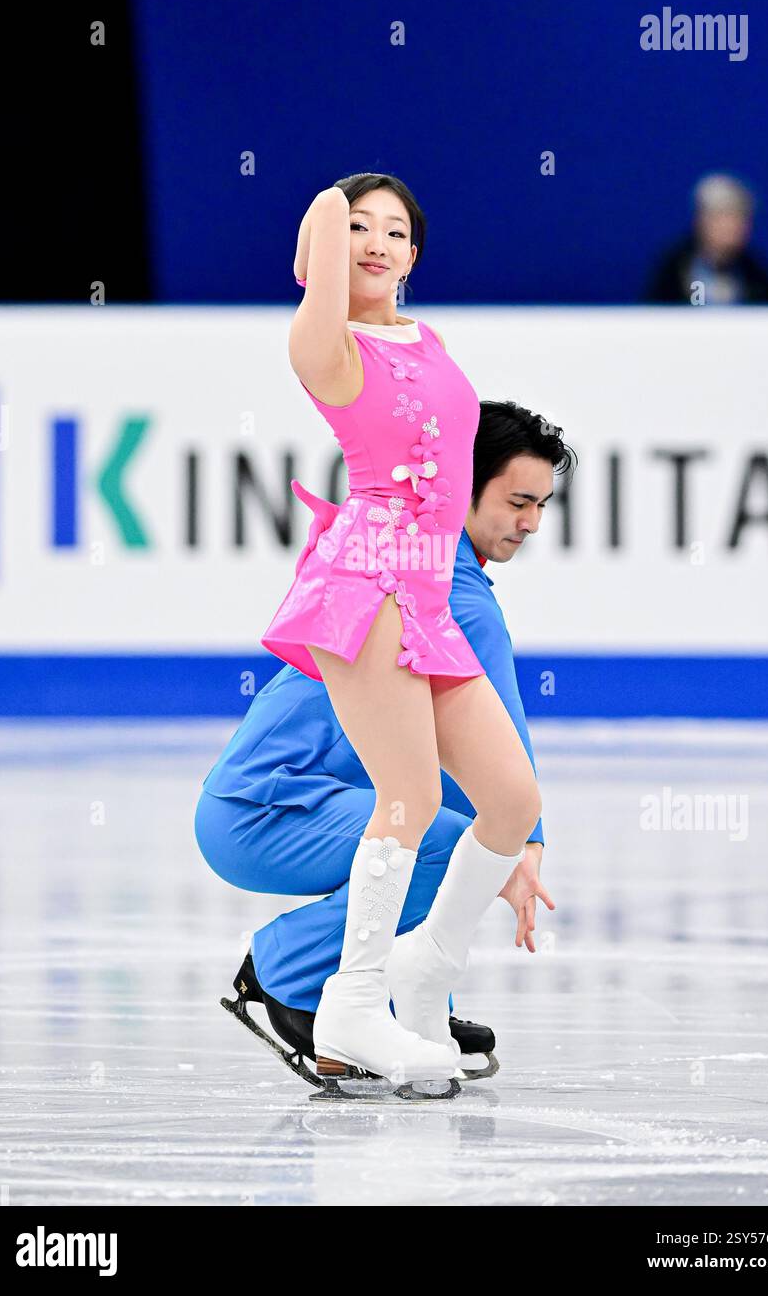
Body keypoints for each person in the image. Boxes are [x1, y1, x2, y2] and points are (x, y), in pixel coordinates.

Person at [210, 174, 548, 1086]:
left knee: (508, 802)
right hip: (367, 585)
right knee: (407, 799)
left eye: (396, 232)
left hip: (428, 591)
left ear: (415, 255)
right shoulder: (331, 344)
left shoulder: (424, 337)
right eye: (359, 228)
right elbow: (320, 254)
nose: (375, 243)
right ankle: (353, 1007)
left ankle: (423, 968)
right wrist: (328, 206)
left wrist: (350, 221)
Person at [195, 400, 575, 1070]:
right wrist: (524, 842)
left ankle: (379, 999)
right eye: (518, 501)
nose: (532, 523)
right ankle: (288, 975)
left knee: (440, 821)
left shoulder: (409, 558)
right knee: (453, 846)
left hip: (267, 803)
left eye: (542, 505)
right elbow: (504, 741)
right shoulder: (451, 594)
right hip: (265, 809)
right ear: (462, 483)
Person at [646, 172, 768, 305]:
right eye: (723, 216)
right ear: (701, 220)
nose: (732, 227)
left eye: (740, 217)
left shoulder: (755, 274)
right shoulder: (674, 270)